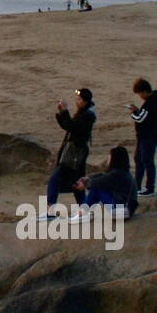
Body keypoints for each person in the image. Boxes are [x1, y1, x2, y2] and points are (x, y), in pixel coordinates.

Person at [43, 88, 96, 216]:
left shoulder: (88, 115)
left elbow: (72, 127)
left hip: (75, 154)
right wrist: (62, 112)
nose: (77, 102)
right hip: (75, 153)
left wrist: (65, 111)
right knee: (76, 182)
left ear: (85, 101)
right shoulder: (85, 113)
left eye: (79, 99)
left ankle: (51, 210)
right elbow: (68, 126)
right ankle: (84, 209)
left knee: (55, 179)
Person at [74, 146, 138, 218]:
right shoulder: (124, 173)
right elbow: (102, 177)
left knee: (96, 189)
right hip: (127, 210)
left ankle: (81, 213)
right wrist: (87, 178)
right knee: (98, 187)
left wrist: (84, 184)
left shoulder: (116, 174)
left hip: (121, 211)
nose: (108, 158)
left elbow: (97, 182)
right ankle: (83, 212)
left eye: (110, 156)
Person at [128, 78, 157, 196]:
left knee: (147, 160)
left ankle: (149, 188)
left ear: (144, 91)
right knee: (139, 159)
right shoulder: (153, 101)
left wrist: (134, 112)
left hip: (149, 136)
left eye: (139, 93)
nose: (140, 96)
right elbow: (145, 116)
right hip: (146, 135)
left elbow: (141, 118)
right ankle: (137, 185)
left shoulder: (152, 102)